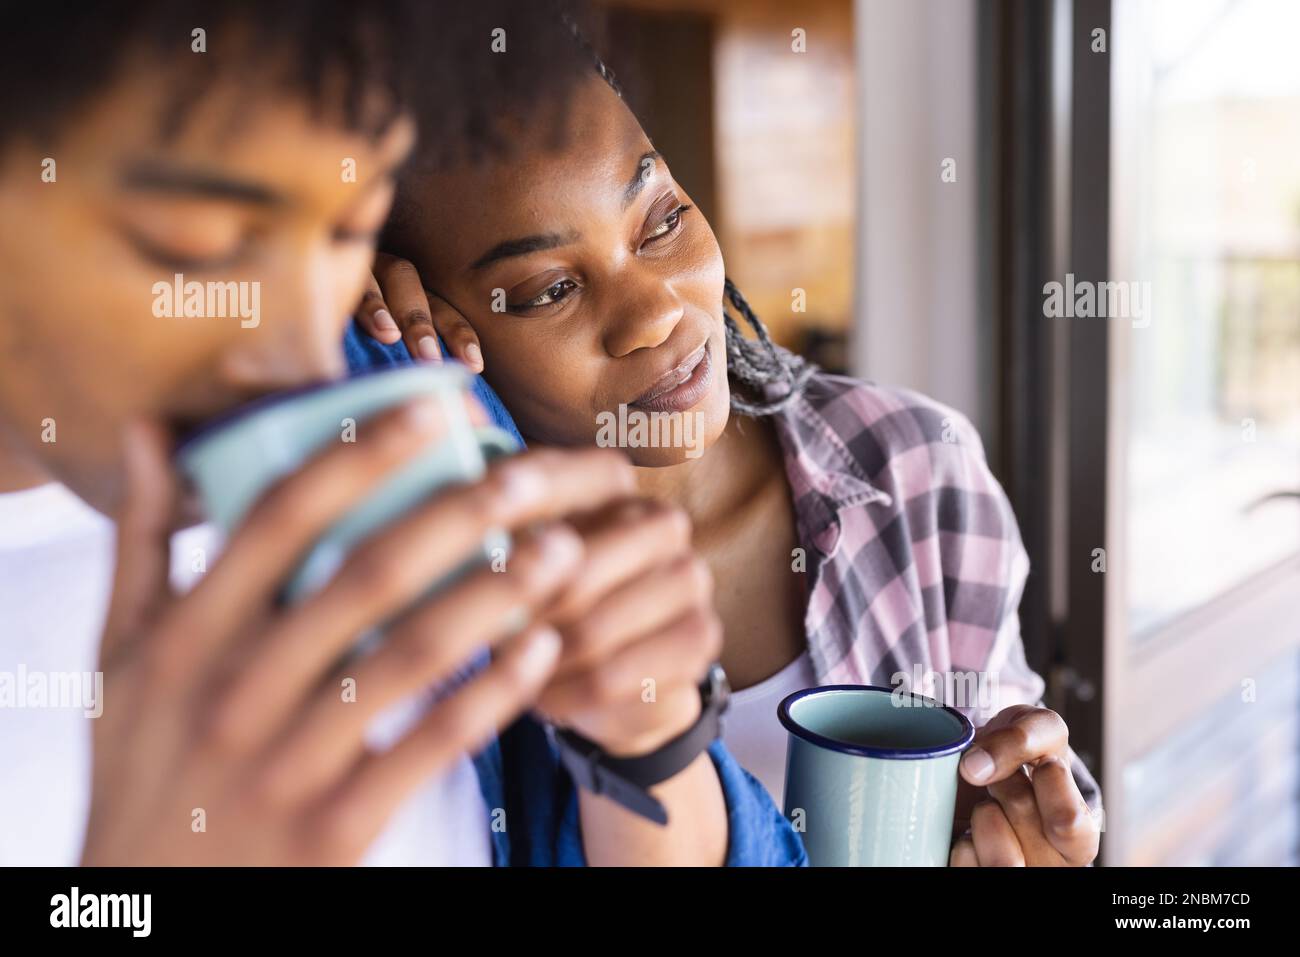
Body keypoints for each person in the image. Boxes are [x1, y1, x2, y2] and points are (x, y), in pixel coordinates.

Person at [0, 1, 804, 867]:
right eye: (205, 249)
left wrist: (648, 744)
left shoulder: (408, 415)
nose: (308, 365)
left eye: (347, 229)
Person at [357, 22, 1104, 866]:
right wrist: (363, 348)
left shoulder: (912, 467)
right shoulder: (443, 583)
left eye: (662, 219)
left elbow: (1015, 748)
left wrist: (1027, 813)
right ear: (431, 316)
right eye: (550, 290)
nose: (659, 311)